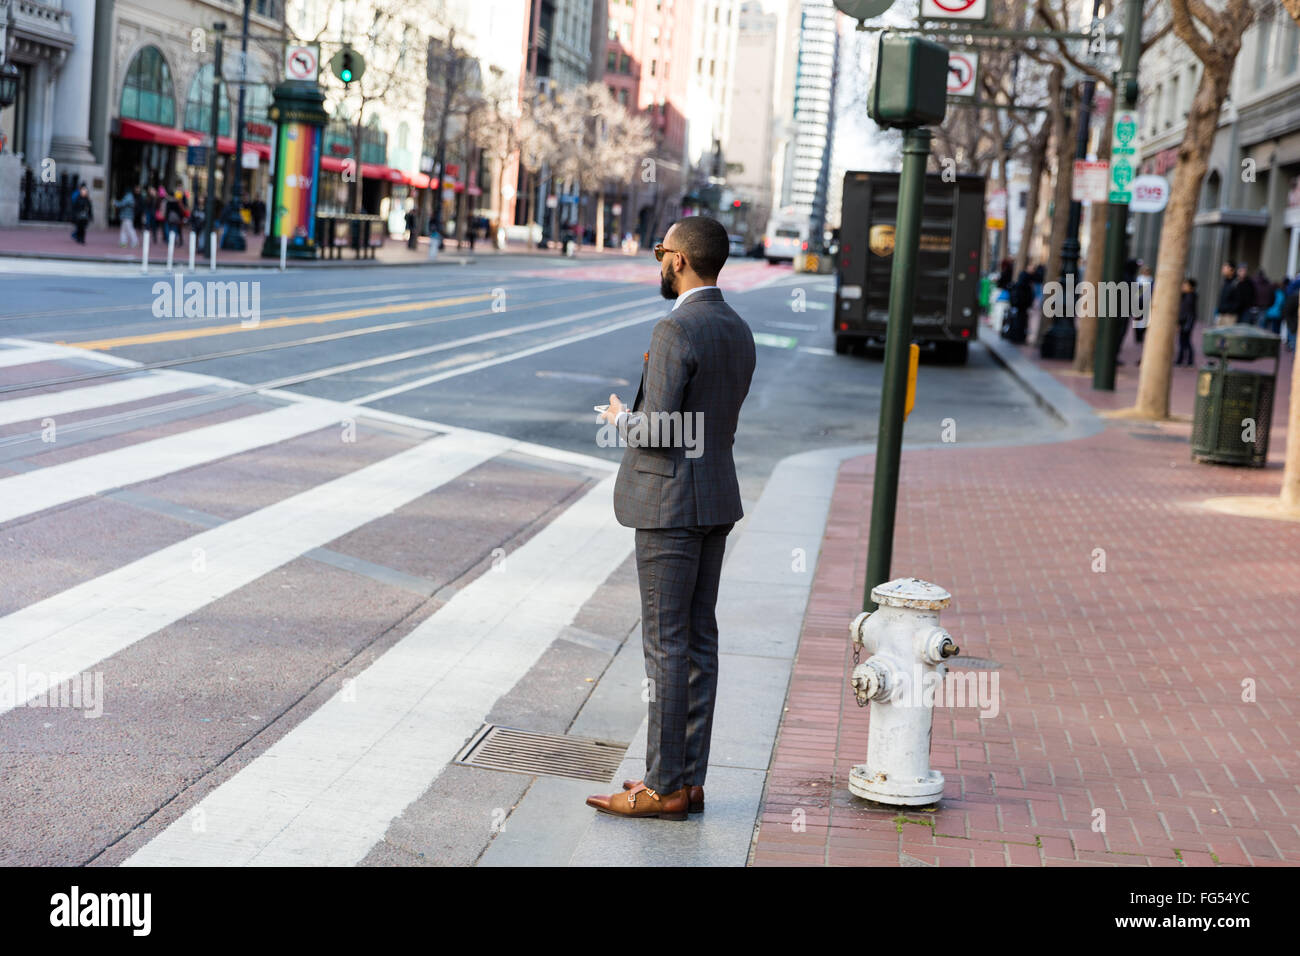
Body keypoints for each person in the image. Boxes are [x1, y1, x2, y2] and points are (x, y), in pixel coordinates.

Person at [587, 216, 756, 821]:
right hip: (714, 500)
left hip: (668, 504)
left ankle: (661, 788)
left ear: (680, 260)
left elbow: (658, 429)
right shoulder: (737, 328)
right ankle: (687, 779)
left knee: (665, 646)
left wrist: (617, 419)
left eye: (662, 251)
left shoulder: (674, 329)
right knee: (698, 641)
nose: (658, 261)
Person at [1176, 277, 1199, 367]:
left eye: (1186, 285)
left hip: (1187, 322)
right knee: (1183, 341)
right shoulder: (1186, 296)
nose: (1183, 287)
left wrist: (1180, 322)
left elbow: (1185, 312)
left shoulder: (1190, 297)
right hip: (1186, 321)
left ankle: (1187, 360)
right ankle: (1182, 360)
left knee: (1185, 341)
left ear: (1191, 287)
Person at [1283, 276, 1299, 352]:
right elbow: (1287, 312)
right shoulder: (1294, 297)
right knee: (1295, 345)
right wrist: (1292, 325)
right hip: (1294, 325)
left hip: (1294, 324)